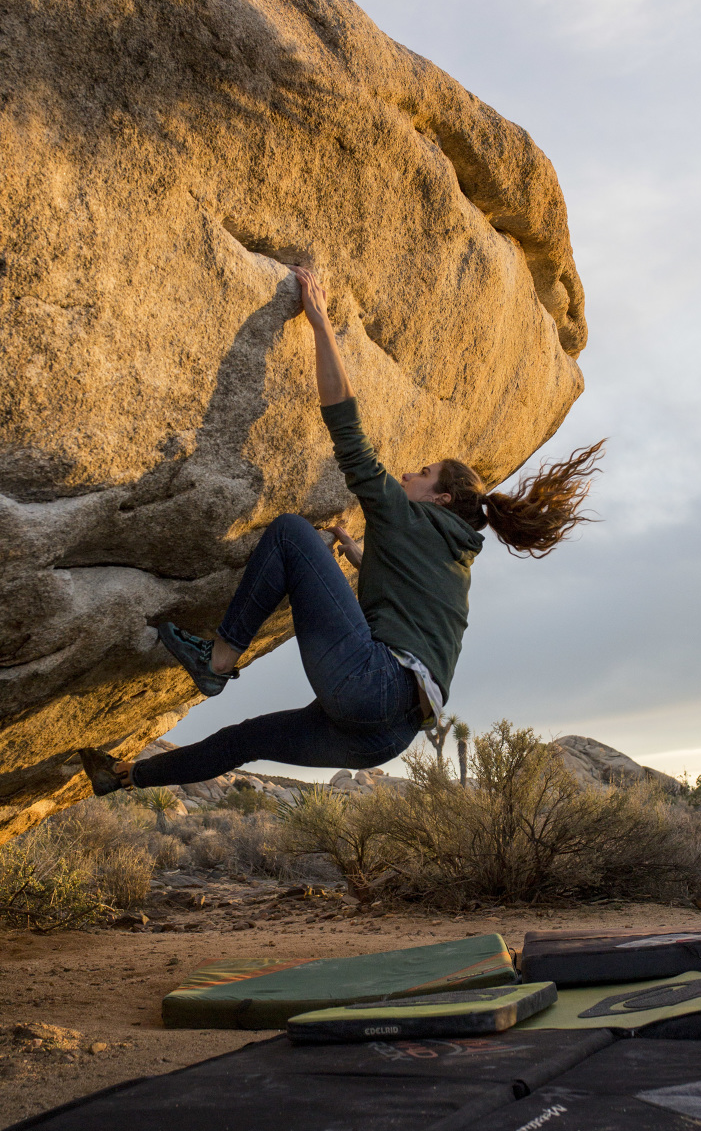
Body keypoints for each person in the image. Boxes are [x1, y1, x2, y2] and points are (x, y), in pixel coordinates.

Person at [78, 267, 602, 796]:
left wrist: (320, 322)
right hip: (387, 735)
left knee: (290, 533)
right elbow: (410, 598)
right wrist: (358, 555)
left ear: (440, 498)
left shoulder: (414, 518)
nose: (408, 475)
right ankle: (123, 777)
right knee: (245, 739)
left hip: (373, 686)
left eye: (422, 473)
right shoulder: (457, 558)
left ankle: (217, 662)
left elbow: (347, 430)